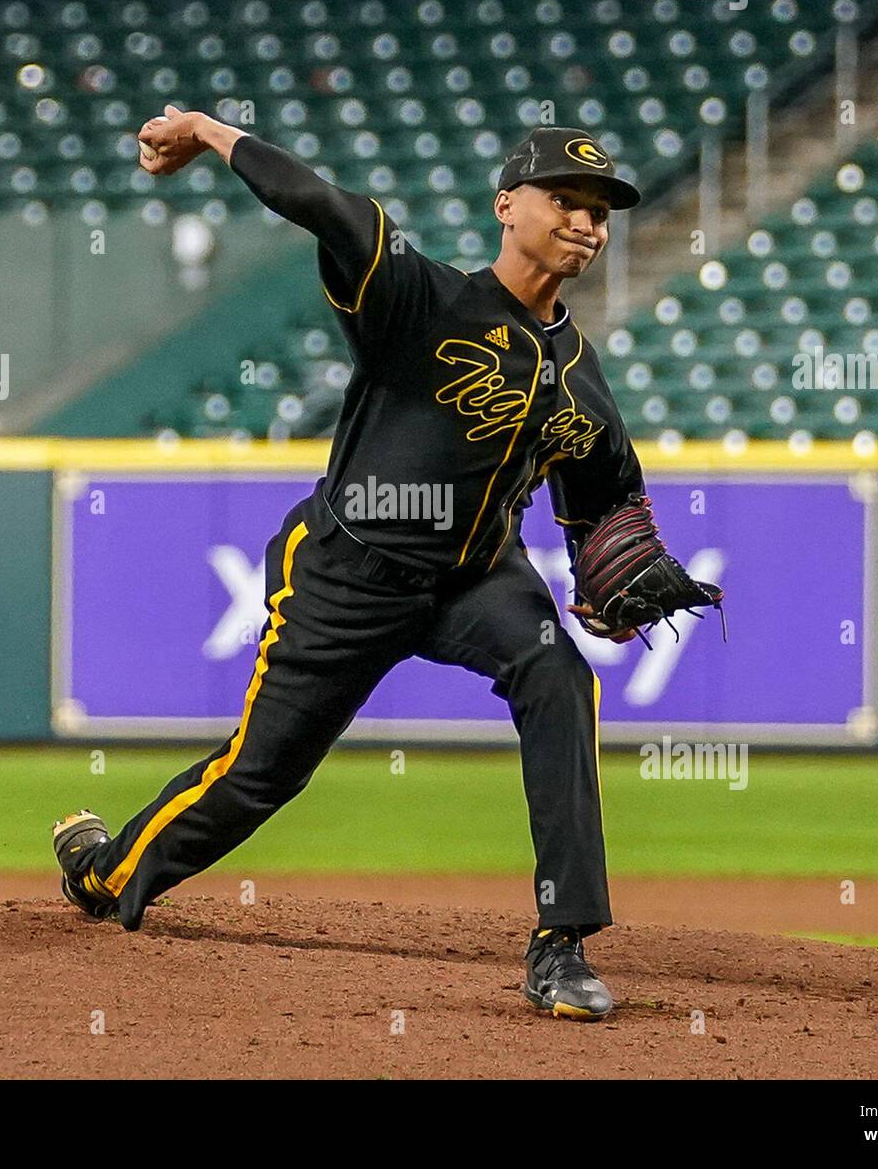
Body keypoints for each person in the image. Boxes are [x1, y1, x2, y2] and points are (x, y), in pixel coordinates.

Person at [54, 112, 648, 1020]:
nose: (585, 221)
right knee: (261, 774)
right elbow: (327, 209)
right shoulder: (420, 298)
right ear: (505, 205)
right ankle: (105, 872)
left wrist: (612, 589)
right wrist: (212, 134)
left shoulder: (582, 380)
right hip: (346, 573)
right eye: (564, 199)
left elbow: (602, 498)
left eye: (600, 212)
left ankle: (561, 943)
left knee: (557, 671)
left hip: (477, 580)